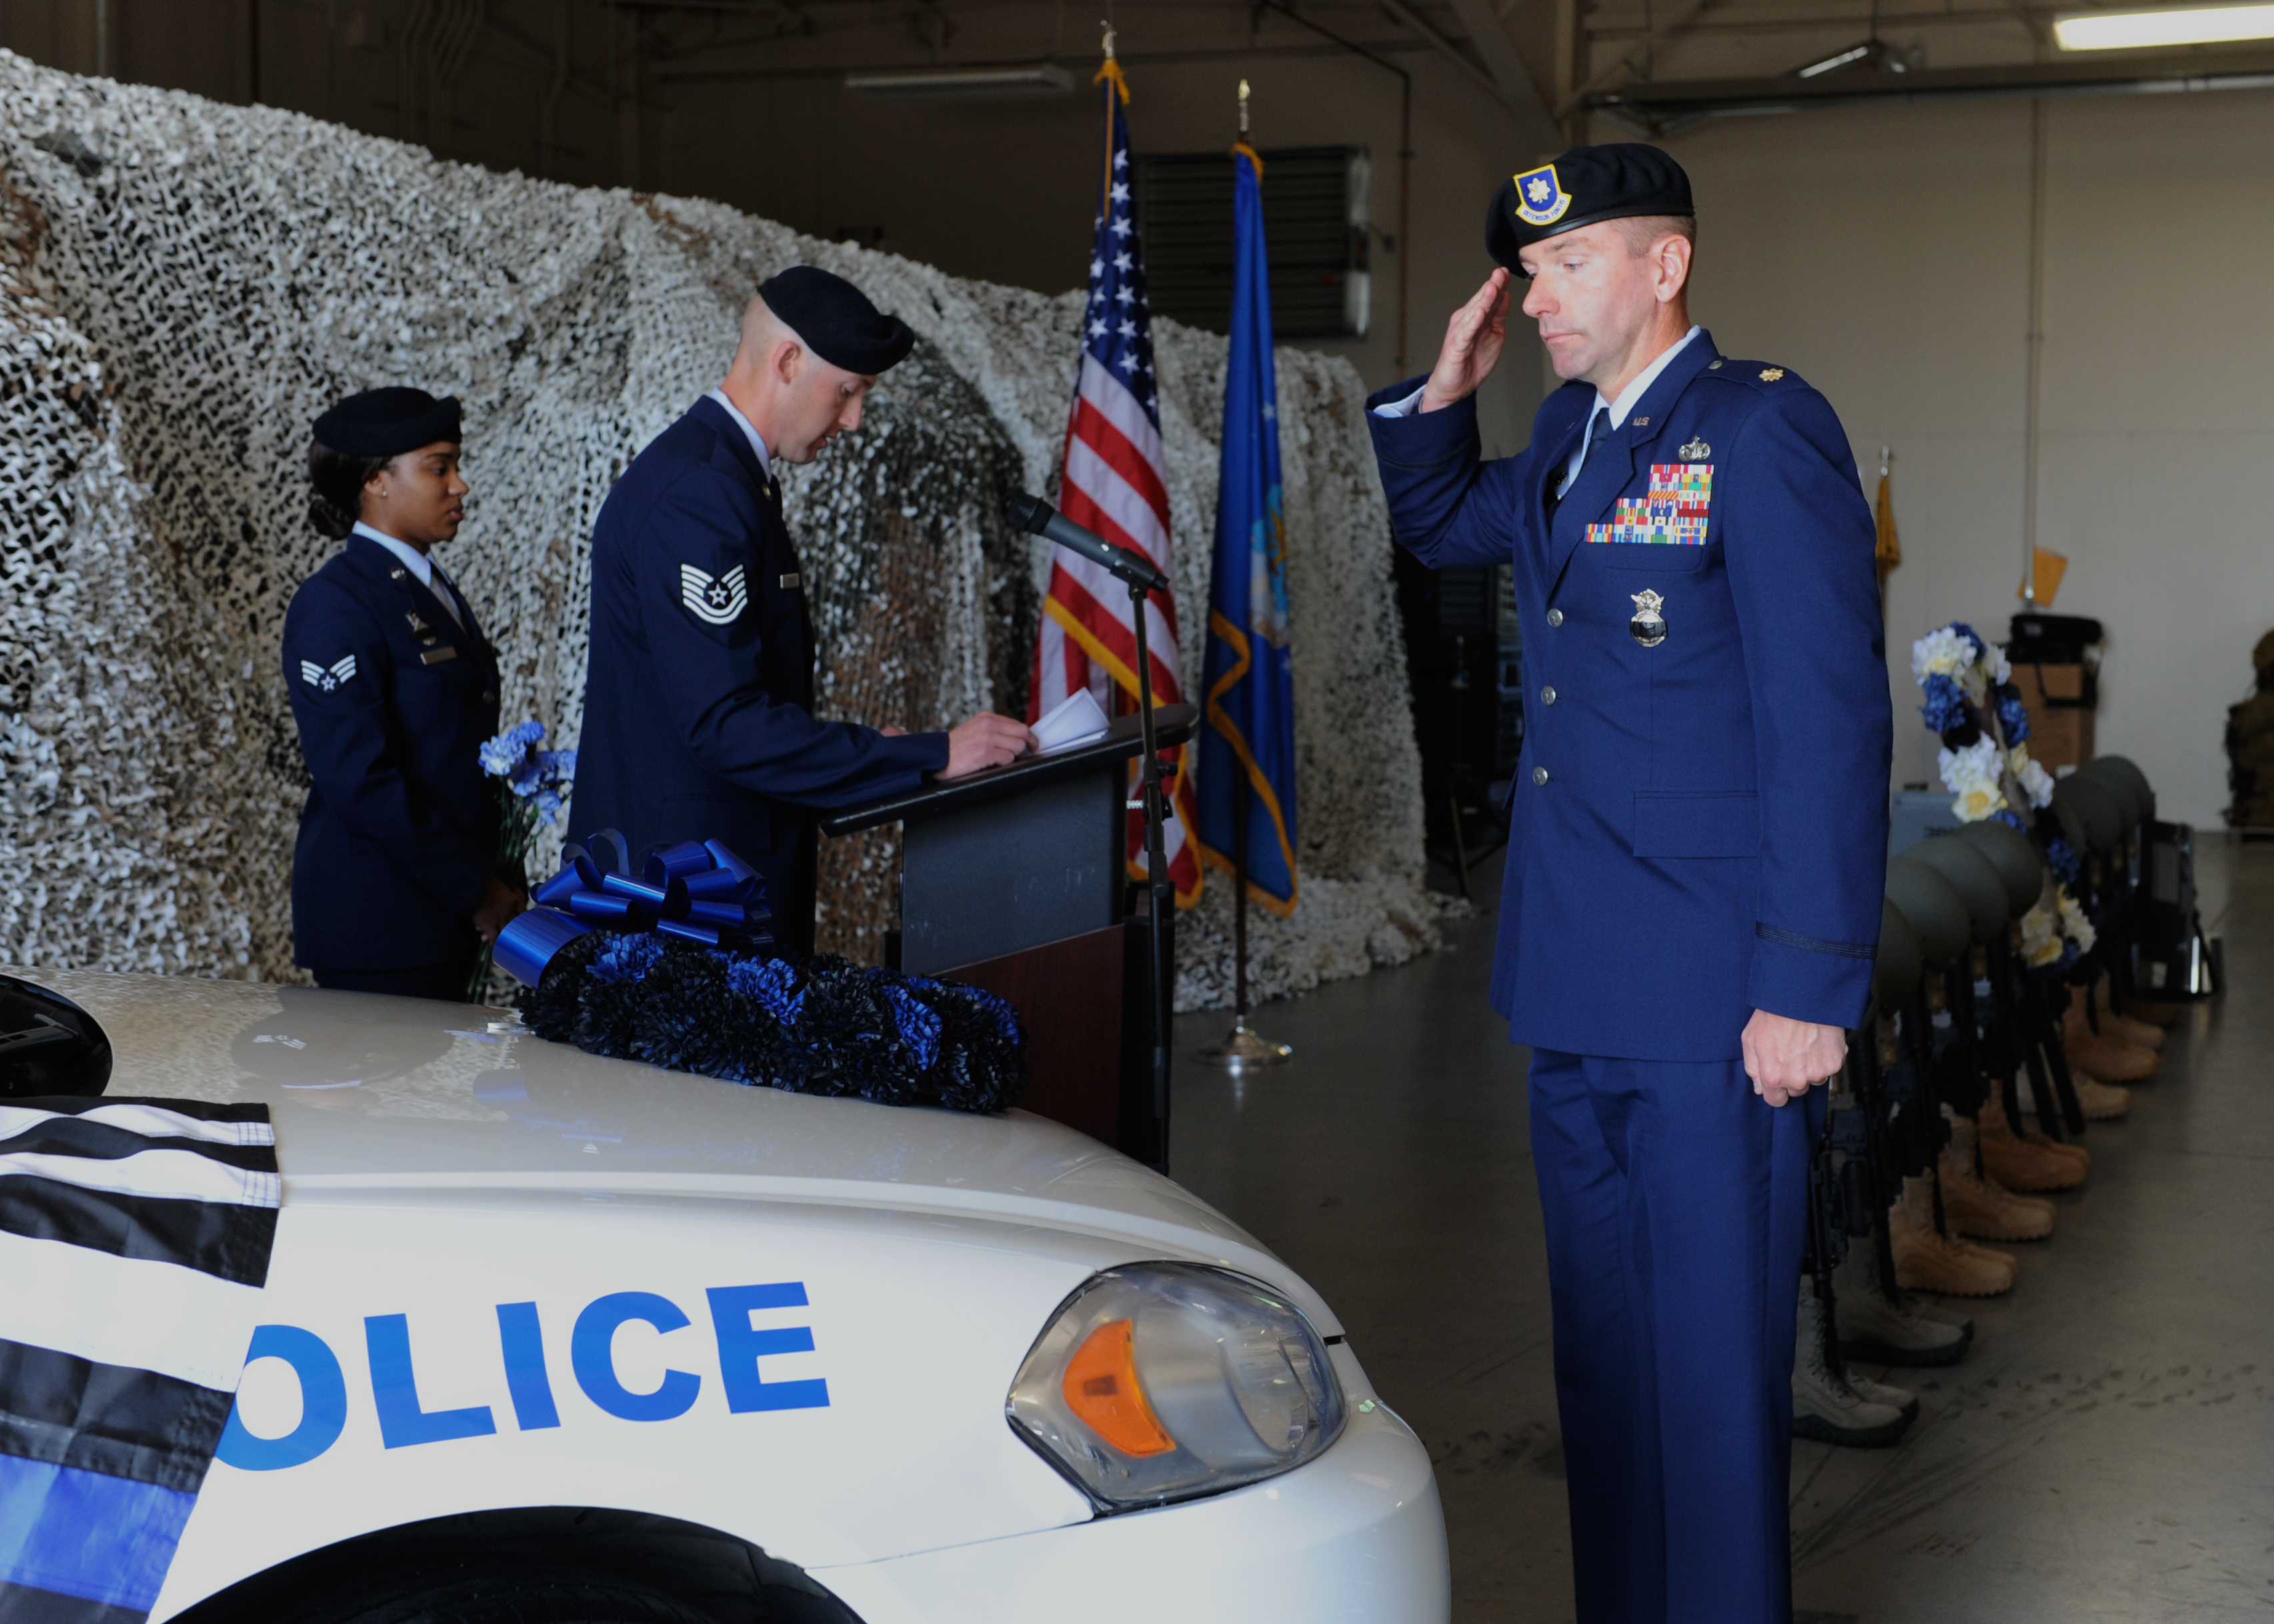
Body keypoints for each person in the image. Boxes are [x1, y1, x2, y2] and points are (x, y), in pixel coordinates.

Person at [1366, 145, 1891, 1622]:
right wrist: (1443, 388)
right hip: (1576, 977)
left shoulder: (1758, 431)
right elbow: (1438, 528)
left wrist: (1804, 983)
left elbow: (1827, 717)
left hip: (1713, 994)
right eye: (1528, 274)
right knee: (1603, 1361)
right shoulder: (1566, 444)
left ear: (1663, 268)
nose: (1537, 298)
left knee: (1712, 1372)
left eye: (1569, 265)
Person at [570, 265, 1035, 953]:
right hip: (689, 902)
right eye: (847, 392)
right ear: (787, 360)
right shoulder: (702, 493)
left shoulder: (722, 477)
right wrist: (929, 755)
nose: (853, 420)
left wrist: (877, 751)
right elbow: (725, 725)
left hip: (703, 884)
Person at [285, 387, 524, 1001]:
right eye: (439, 468)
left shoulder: (422, 585)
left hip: (437, 914)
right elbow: (360, 780)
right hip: (382, 926)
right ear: (376, 482)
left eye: (456, 467)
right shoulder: (336, 603)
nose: (460, 486)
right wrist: (477, 888)